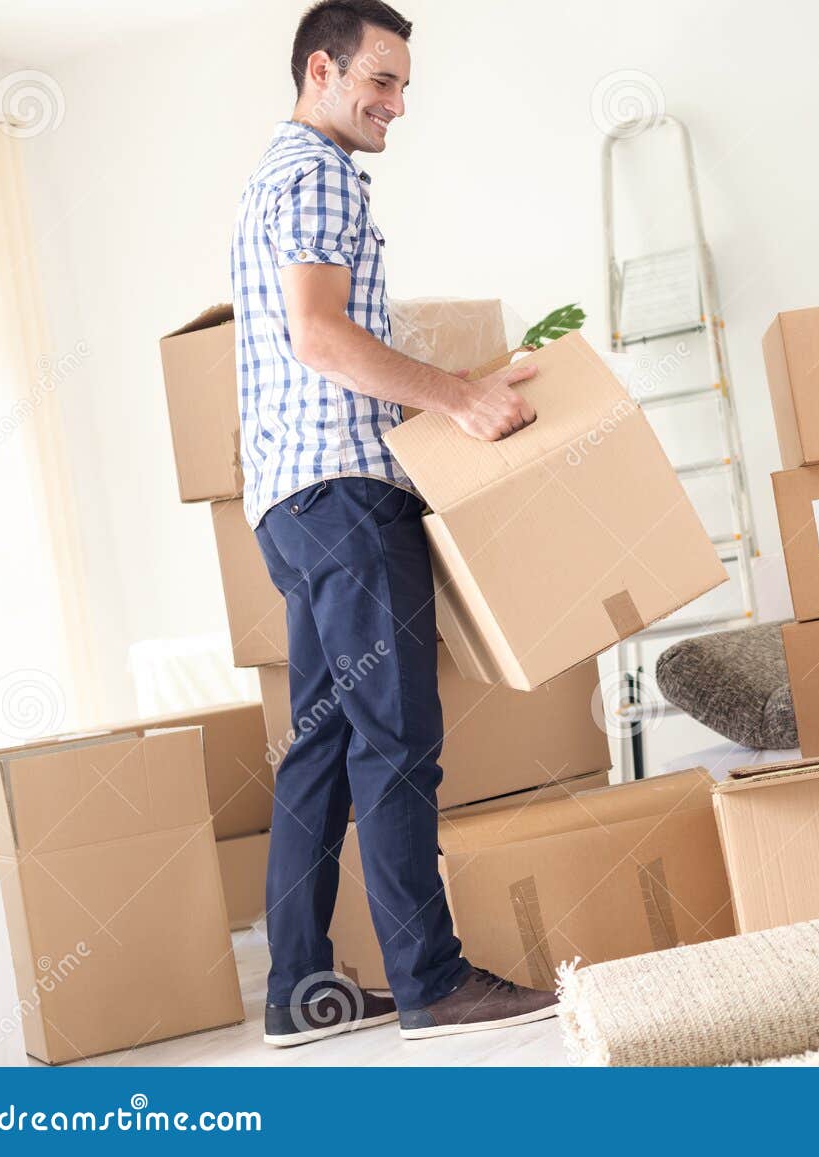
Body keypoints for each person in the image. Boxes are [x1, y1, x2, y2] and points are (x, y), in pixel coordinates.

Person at [232, 0, 554, 1046]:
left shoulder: (270, 178)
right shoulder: (319, 172)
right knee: (398, 739)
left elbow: (311, 344)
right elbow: (322, 339)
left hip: (290, 502)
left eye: (403, 85)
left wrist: (457, 384)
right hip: (346, 500)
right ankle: (431, 979)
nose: (396, 105)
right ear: (320, 71)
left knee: (321, 749)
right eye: (380, 81)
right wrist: (459, 399)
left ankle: (299, 990)